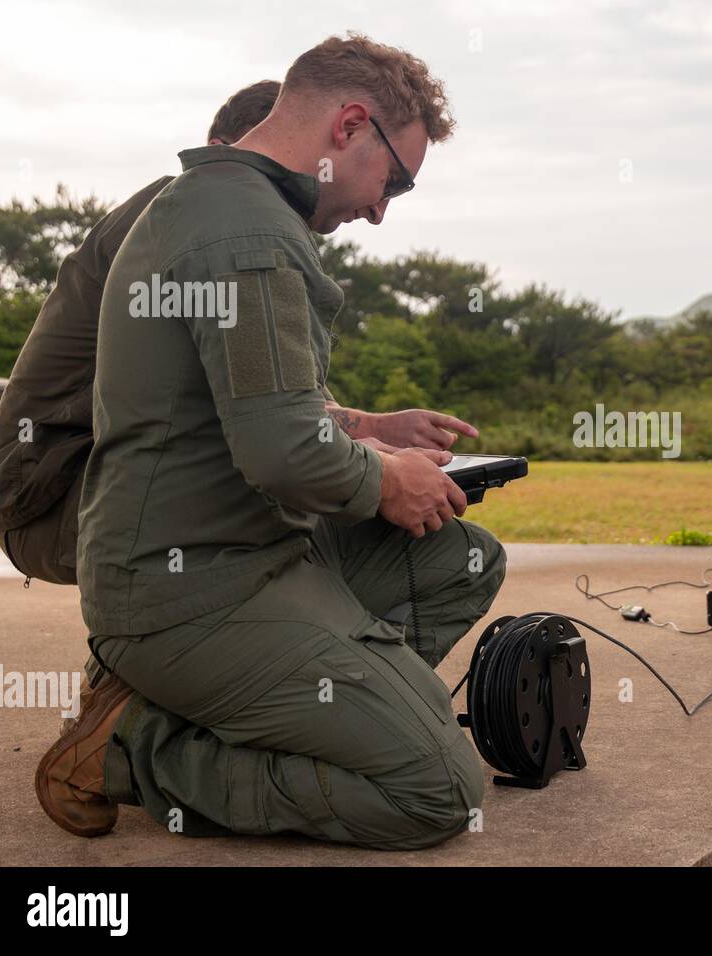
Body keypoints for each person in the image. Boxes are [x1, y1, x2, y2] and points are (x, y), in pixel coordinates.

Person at [33, 32, 506, 851]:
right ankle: (136, 748)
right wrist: (390, 481)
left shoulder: (216, 205)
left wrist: (376, 448)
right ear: (349, 125)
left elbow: (265, 417)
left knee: (459, 558)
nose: (381, 209)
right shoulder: (246, 237)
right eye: (393, 179)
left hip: (239, 557)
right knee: (438, 789)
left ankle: (249, 706)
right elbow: (283, 450)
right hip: (194, 592)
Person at [0, 80, 281, 588]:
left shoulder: (221, 226)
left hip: (76, 481)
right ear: (216, 153)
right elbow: (249, 401)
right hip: (41, 493)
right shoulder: (175, 214)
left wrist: (357, 427)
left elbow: (271, 386)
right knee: (287, 497)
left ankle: (143, 662)